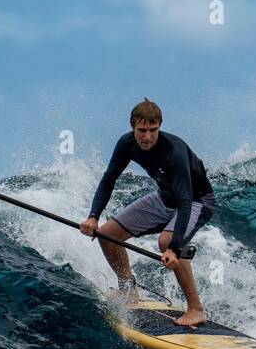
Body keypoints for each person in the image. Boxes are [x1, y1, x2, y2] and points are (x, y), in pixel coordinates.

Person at [80, 99, 216, 327]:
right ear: (133, 127)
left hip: (196, 201)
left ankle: (196, 309)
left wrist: (174, 249)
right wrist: (93, 216)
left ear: (159, 127)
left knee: (167, 241)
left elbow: (184, 203)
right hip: (163, 198)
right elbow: (109, 179)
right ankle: (129, 289)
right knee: (106, 235)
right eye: (142, 130)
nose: (147, 136)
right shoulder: (126, 144)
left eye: (153, 130)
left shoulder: (174, 151)